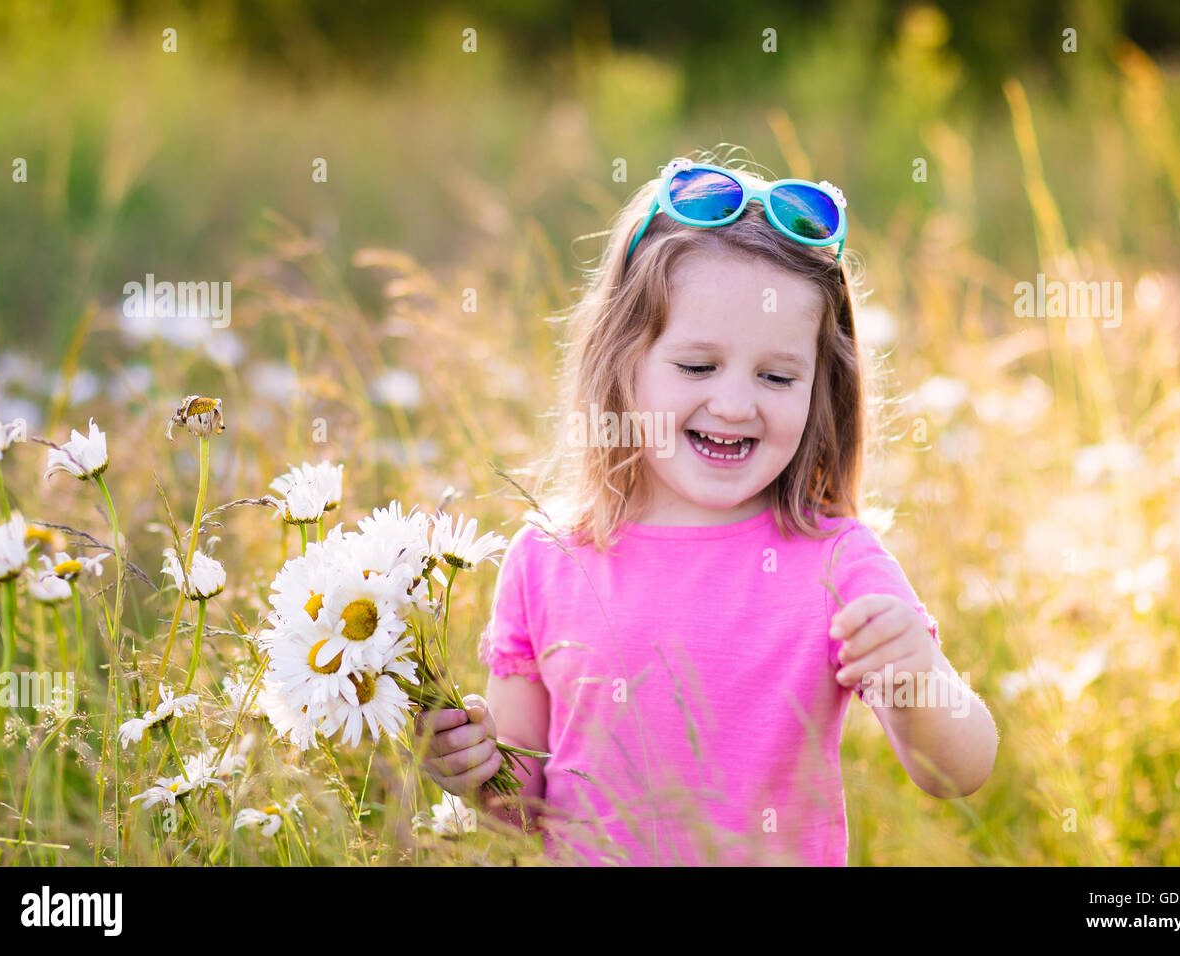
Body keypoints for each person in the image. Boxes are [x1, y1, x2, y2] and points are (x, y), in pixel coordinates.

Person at [418, 147, 998, 865]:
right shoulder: (549, 559)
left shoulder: (836, 561)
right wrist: (475, 773)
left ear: (822, 390)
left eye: (777, 376)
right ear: (622, 361)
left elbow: (958, 770)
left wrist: (918, 673)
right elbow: (525, 807)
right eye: (697, 366)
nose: (734, 404)